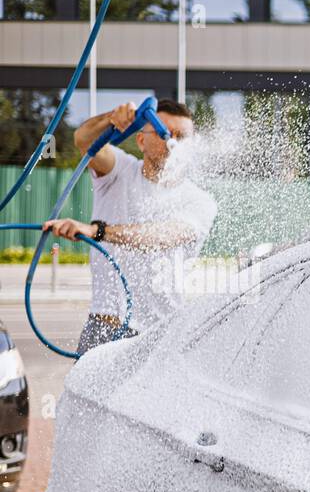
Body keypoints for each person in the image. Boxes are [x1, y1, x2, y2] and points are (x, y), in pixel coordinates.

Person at [42, 99, 217, 355]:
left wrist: (99, 231)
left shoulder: (200, 201)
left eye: (183, 136)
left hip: (162, 331)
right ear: (141, 140)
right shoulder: (119, 172)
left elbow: (163, 236)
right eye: (163, 133)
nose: (173, 142)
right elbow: (83, 140)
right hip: (105, 325)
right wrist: (112, 117)